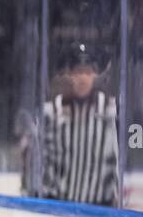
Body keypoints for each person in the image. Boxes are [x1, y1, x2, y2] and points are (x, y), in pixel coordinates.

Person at [37, 42, 119, 207]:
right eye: (78, 72)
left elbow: (116, 158)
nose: (83, 77)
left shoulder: (110, 109)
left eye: (88, 72)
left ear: (95, 75)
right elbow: (44, 158)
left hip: (100, 207)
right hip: (61, 206)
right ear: (69, 75)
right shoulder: (52, 109)